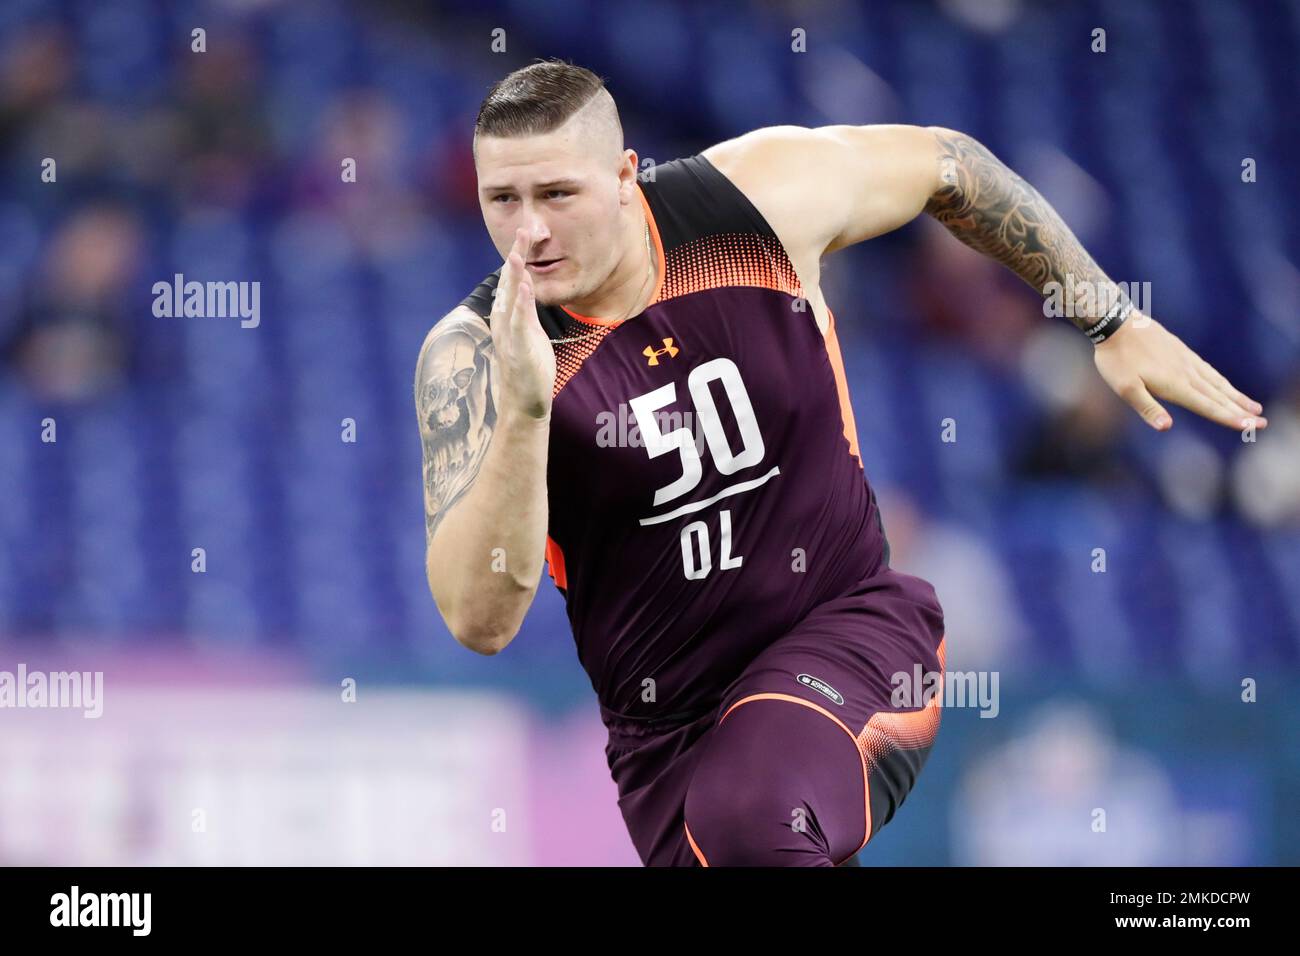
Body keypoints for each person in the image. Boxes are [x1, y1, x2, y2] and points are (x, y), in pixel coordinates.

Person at [415, 60, 1266, 866]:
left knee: (754, 812)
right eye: (503, 199)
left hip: (852, 634)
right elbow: (480, 622)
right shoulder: (474, 358)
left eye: (558, 193)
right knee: (744, 820)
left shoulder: (753, 200)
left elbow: (947, 164)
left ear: (626, 174)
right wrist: (526, 412)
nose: (529, 230)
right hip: (668, 742)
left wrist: (1110, 321)